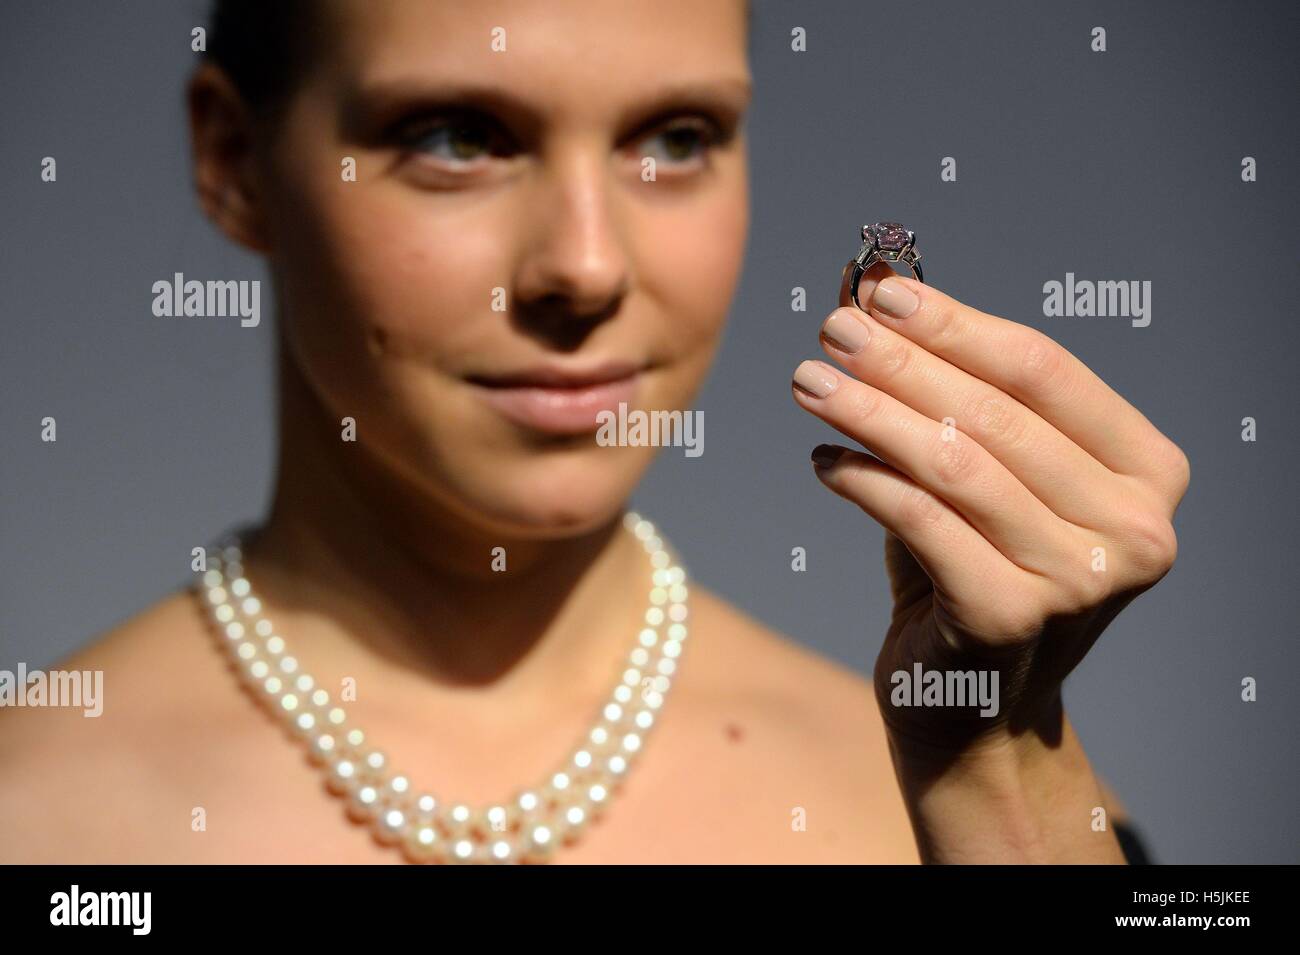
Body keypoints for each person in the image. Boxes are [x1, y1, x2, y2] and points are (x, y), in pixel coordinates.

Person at [0, 0, 1183, 863]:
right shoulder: (35, 813)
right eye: (458, 136)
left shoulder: (977, 790)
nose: (585, 265)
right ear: (233, 163)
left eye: (674, 139)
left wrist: (994, 782)